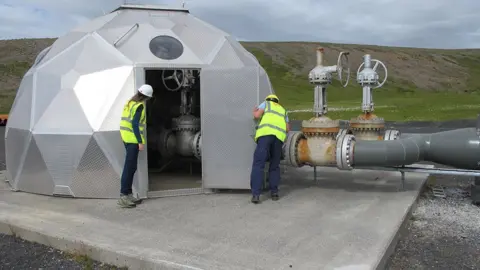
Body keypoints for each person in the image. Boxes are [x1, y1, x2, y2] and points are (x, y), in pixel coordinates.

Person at [118, 84, 153, 208]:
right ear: (147, 97)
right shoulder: (139, 106)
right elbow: (134, 124)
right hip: (132, 139)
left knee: (131, 167)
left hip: (126, 138)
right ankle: (123, 196)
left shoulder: (130, 103)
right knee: (129, 168)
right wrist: (140, 141)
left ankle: (128, 194)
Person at [250, 94, 290, 204]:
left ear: (268, 99)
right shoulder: (283, 110)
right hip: (278, 139)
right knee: (274, 165)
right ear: (277, 101)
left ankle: (256, 195)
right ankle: (274, 193)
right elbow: (287, 128)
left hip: (265, 136)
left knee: (259, 164)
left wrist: (254, 112)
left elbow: (257, 116)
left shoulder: (266, 104)